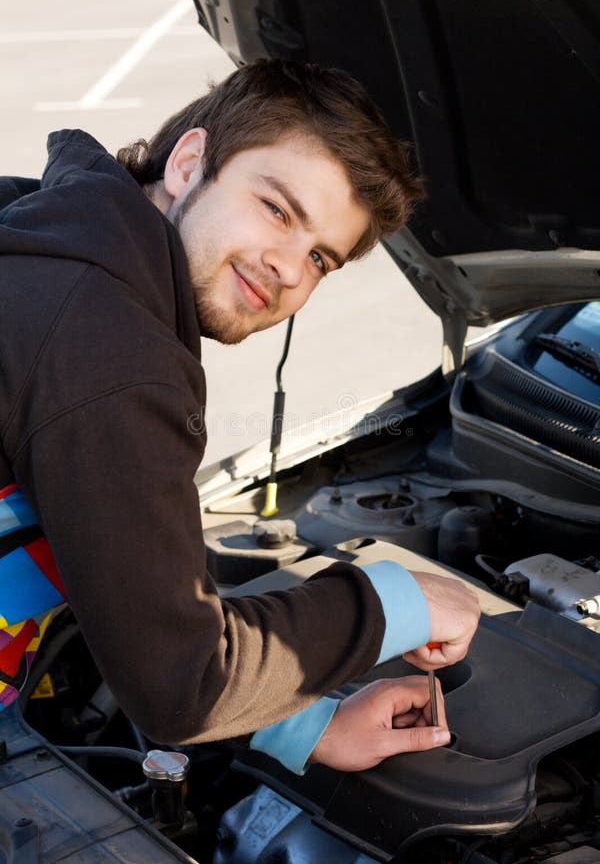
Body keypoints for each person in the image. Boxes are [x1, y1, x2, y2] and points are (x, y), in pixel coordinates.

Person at [0, 59, 479, 775]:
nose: (289, 267)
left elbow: (106, 564)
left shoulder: (46, 228)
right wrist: (394, 603)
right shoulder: (109, 350)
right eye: (278, 209)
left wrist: (299, 726)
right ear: (190, 162)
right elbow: (183, 685)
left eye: (320, 256)